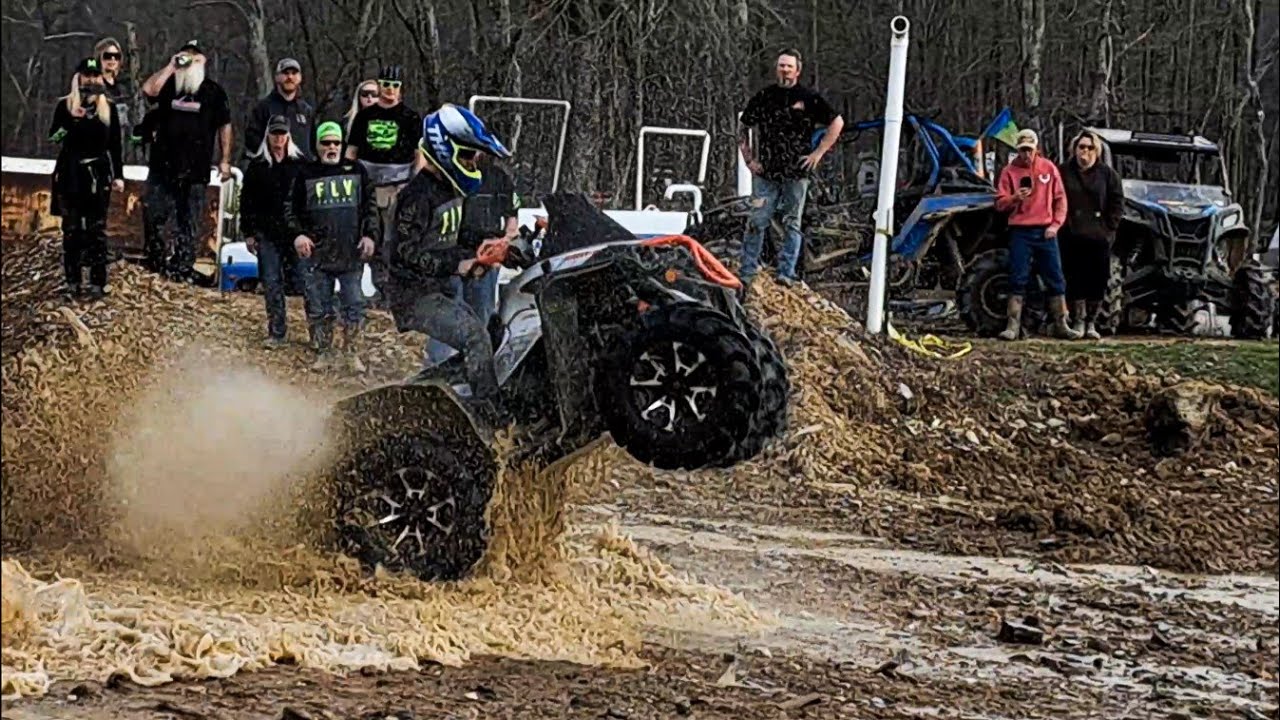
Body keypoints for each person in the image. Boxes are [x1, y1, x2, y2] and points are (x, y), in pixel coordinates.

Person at [388, 104, 511, 420]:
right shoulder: (417, 196)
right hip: (414, 296)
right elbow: (403, 253)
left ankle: (410, 397)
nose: (473, 164)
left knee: (489, 336)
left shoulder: (449, 189)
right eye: (468, 157)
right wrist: (456, 265)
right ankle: (490, 416)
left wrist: (479, 251)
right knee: (474, 336)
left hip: (439, 289)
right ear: (445, 150)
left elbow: (450, 240)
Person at [737, 48, 844, 293]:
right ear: (777, 68)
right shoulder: (765, 96)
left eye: (789, 66)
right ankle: (747, 272)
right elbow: (743, 128)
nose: (784, 69)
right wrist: (749, 160)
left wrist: (818, 153)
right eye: (781, 65)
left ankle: (786, 273)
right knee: (757, 221)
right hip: (766, 173)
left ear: (798, 70)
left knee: (792, 224)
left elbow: (837, 122)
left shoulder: (808, 98)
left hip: (796, 173)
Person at [286, 122, 379, 372]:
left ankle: (352, 353)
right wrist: (297, 235)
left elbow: (371, 209)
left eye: (336, 142)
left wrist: (370, 236)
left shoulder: (358, 171)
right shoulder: (305, 174)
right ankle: (323, 351)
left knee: (354, 304)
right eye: (326, 142)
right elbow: (290, 211)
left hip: (351, 253)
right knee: (319, 306)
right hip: (317, 254)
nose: (331, 147)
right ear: (317, 145)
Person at [139, 40, 233, 283]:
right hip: (163, 166)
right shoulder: (169, 86)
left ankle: (182, 268)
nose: (189, 62)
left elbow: (225, 126)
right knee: (154, 213)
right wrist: (172, 65)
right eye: (185, 57)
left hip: (195, 170)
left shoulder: (213, 91)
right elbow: (149, 90)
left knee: (188, 221)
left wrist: (225, 159)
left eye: (195, 58)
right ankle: (156, 262)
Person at [423, 153, 520, 368]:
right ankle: (435, 365)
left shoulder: (499, 177)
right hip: (454, 252)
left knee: (480, 312)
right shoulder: (449, 176)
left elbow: (512, 219)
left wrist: (502, 244)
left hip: (487, 256)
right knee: (447, 310)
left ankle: (474, 366)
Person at [994, 129, 1081, 340]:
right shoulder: (1009, 172)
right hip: (1020, 230)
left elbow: (1060, 199)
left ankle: (1061, 322)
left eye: (1030, 150)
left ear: (1036, 149)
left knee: (1055, 277)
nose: (1026, 155)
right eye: (1022, 150)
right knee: (1018, 277)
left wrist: (1055, 225)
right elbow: (999, 203)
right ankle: (1013, 324)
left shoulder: (1048, 168)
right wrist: (1015, 198)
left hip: (1045, 231)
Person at [345, 65, 422, 303]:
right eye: (386, 85)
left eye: (395, 86)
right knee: (368, 239)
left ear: (401, 89)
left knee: (393, 240)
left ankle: (392, 293)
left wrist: (413, 185)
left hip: (397, 188)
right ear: (379, 85)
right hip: (366, 187)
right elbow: (352, 151)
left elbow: (419, 154)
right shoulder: (365, 117)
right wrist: (347, 177)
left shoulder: (410, 117)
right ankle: (369, 291)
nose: (389, 90)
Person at [48, 58, 124, 300]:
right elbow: (54, 137)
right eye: (86, 75)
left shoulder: (108, 108)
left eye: (95, 75)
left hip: (98, 172)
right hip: (71, 171)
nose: (91, 80)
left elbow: (116, 145)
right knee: (71, 229)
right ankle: (72, 281)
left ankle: (97, 282)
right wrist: (72, 120)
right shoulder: (65, 106)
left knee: (96, 230)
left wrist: (119, 175)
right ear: (79, 77)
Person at [241, 114, 307, 348]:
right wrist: (248, 232)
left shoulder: (301, 165)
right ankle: (277, 332)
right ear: (267, 136)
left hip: (295, 233)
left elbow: (307, 201)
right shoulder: (257, 167)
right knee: (271, 281)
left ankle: (317, 332)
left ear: (288, 136)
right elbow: (246, 202)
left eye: (282, 134)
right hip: (266, 233)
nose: (278, 139)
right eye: (274, 134)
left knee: (305, 282)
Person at [1059, 129, 1124, 339]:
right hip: (1071, 233)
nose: (1085, 151)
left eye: (1089, 147)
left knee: (1098, 279)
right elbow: (1056, 197)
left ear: (1096, 151)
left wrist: (1109, 228)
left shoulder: (1107, 174)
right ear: (1075, 149)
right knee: (1074, 278)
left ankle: (1091, 322)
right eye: (1081, 147)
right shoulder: (1063, 172)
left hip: (1098, 235)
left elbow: (1117, 201)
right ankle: (1077, 320)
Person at [243, 57, 314, 160]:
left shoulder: (306, 110)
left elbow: (313, 143)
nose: (290, 77)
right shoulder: (263, 108)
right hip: (273, 169)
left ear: (300, 78)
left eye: (294, 73)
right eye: (285, 73)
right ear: (276, 77)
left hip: (303, 170)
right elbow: (251, 140)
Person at [93, 37, 135, 160]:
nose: (112, 59)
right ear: (99, 57)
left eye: (116, 56)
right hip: (99, 143)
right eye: (107, 56)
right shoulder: (93, 85)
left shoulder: (123, 86)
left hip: (121, 142)